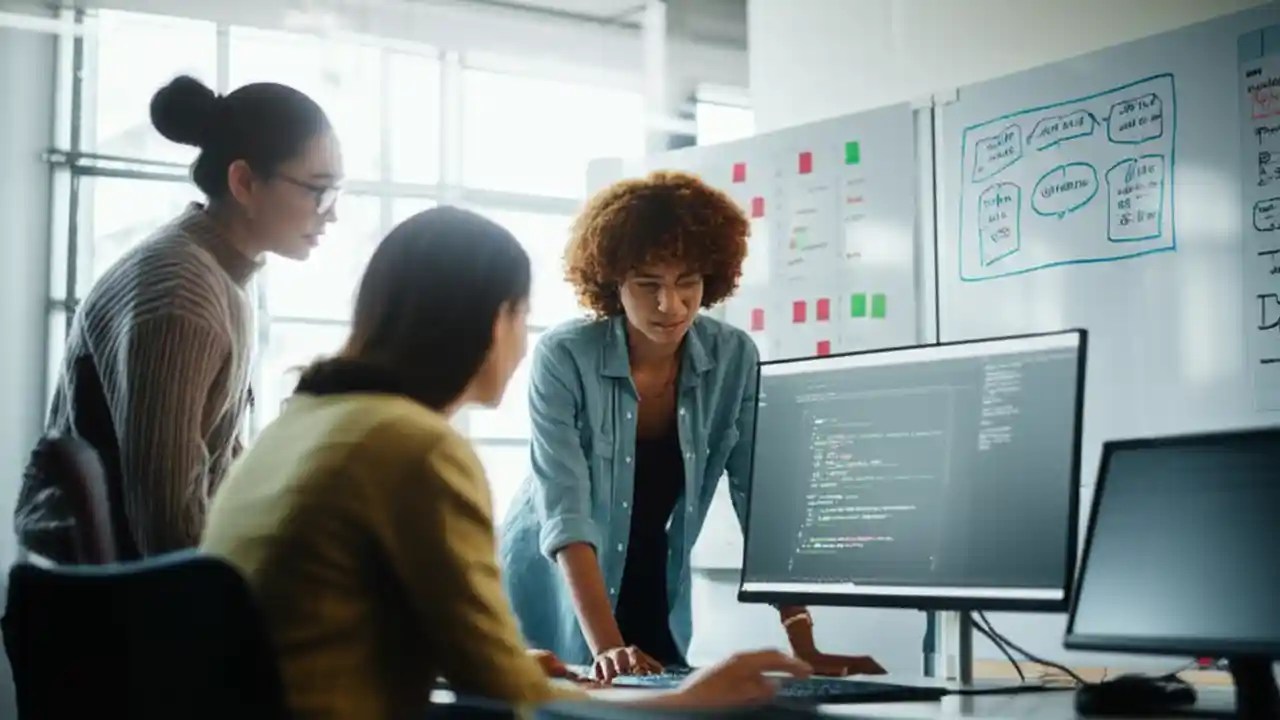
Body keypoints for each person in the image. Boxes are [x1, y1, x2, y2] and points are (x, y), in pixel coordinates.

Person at [200, 207, 810, 719]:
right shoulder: (415, 447)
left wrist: (505, 659)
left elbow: (354, 630)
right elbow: (508, 701)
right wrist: (688, 700)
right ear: (497, 320)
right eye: (522, 316)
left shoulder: (300, 426)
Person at [499, 170, 886, 681]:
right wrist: (609, 648)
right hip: (558, 582)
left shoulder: (733, 357)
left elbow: (759, 502)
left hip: (651, 579)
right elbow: (566, 512)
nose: (671, 305)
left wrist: (805, 643)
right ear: (613, 282)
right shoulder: (564, 356)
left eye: (688, 283)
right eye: (648, 285)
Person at [15, 75, 342, 562]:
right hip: (118, 612)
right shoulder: (182, 292)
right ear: (244, 182)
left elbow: (210, 481)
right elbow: (168, 531)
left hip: (126, 597)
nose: (330, 216)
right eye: (319, 192)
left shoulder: (213, 276)